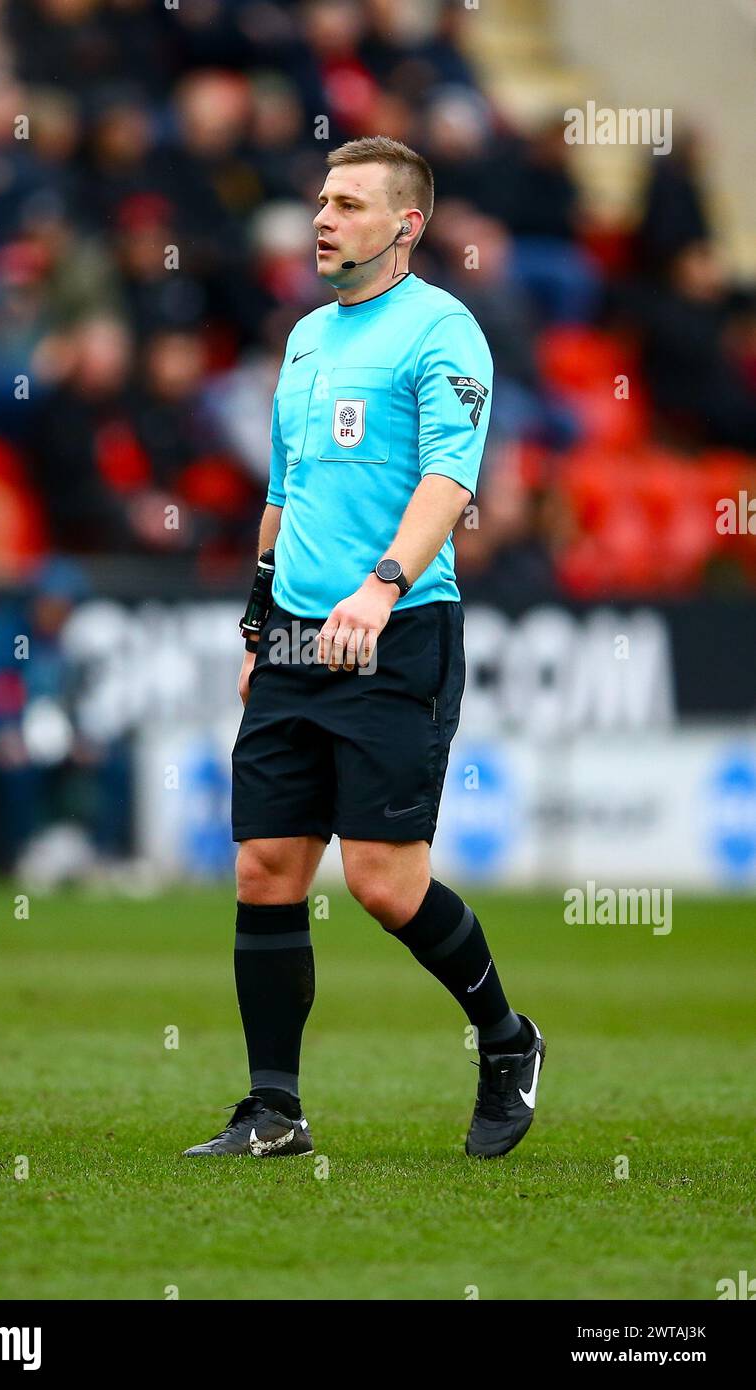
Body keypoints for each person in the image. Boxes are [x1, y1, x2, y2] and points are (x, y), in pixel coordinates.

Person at [184, 137, 545, 1161]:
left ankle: (505, 1038)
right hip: (295, 638)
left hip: (396, 633)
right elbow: (282, 496)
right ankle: (273, 1111)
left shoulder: (443, 330)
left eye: (346, 203)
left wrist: (381, 584)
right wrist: (259, 625)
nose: (321, 218)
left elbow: (448, 479)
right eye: (320, 200)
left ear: (405, 224)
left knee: (384, 883)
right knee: (264, 866)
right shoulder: (300, 339)